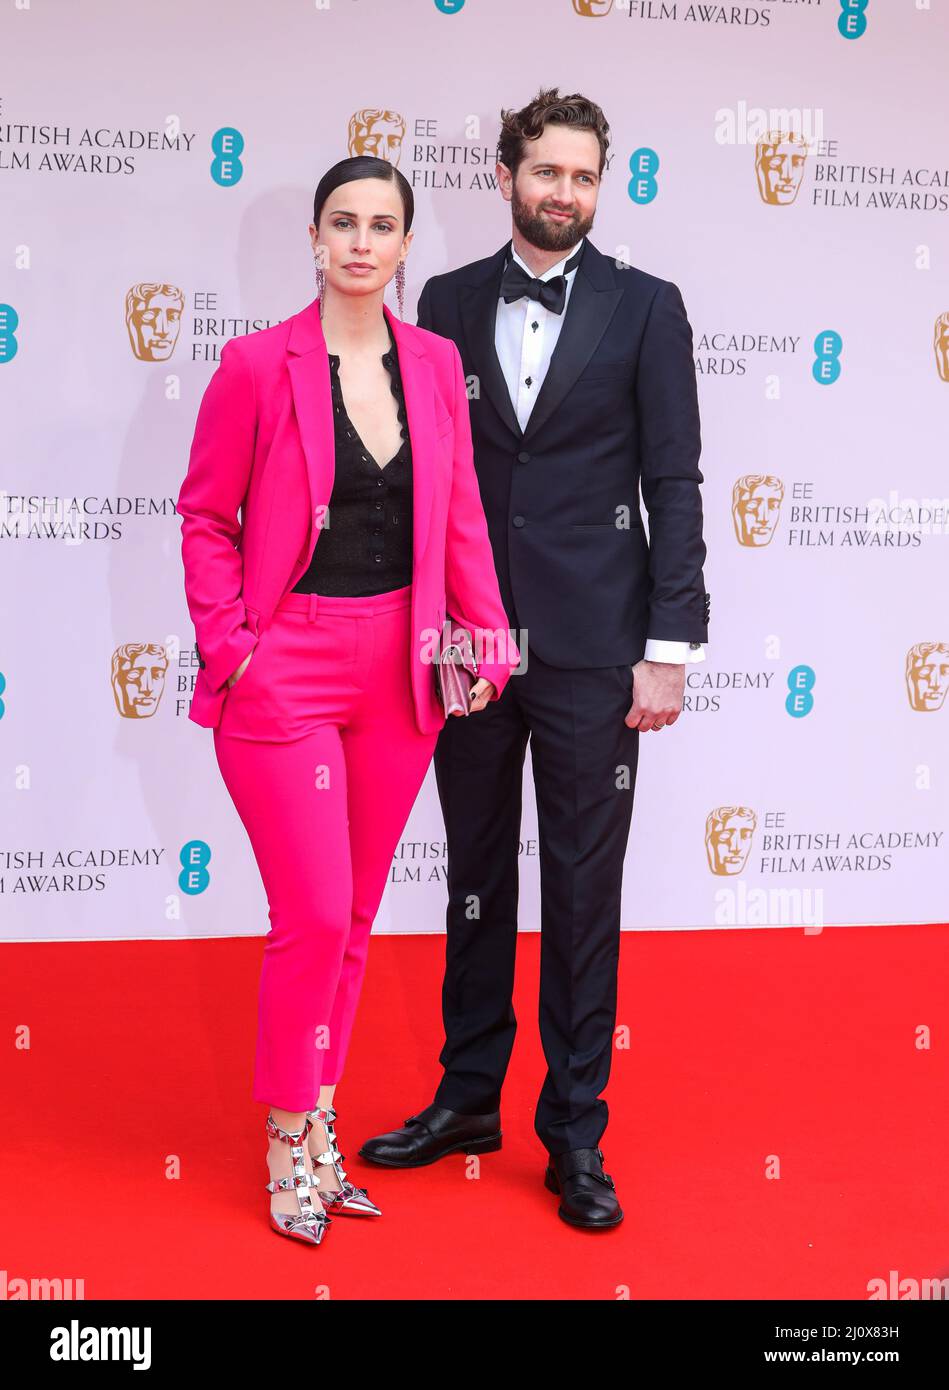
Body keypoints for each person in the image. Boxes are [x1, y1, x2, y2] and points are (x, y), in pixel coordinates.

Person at [359, 89, 710, 1229]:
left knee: (580, 889)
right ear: (504, 174)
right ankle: (467, 1097)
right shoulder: (447, 302)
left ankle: (576, 1133)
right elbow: (424, 481)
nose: (565, 192)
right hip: (467, 643)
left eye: (584, 176)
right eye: (546, 170)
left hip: (597, 649)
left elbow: (674, 483)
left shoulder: (646, 309)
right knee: (472, 876)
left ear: (600, 186)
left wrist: (667, 647)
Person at [175, 155, 520, 1246]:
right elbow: (204, 517)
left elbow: (458, 510)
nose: (362, 241)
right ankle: (284, 1134)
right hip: (289, 663)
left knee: (358, 919)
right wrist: (233, 650)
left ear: (407, 244)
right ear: (316, 242)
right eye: (343, 222)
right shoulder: (255, 364)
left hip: (403, 661)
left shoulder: (433, 362)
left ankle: (321, 1123)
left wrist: (485, 639)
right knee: (313, 914)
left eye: (382, 224)